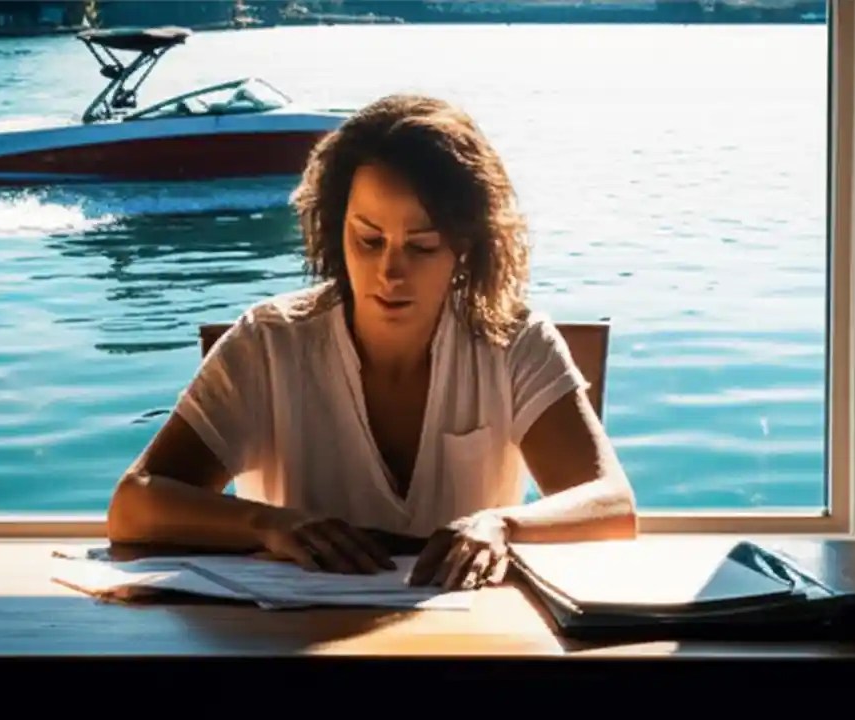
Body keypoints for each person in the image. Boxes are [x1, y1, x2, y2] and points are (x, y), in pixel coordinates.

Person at [106, 94, 638, 591]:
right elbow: (133, 507)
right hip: (290, 639)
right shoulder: (267, 344)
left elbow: (612, 506)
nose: (390, 271)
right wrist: (266, 525)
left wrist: (503, 524)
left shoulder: (515, 341)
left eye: (422, 246)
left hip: (465, 637)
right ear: (336, 228)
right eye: (369, 239)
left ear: (465, 244)